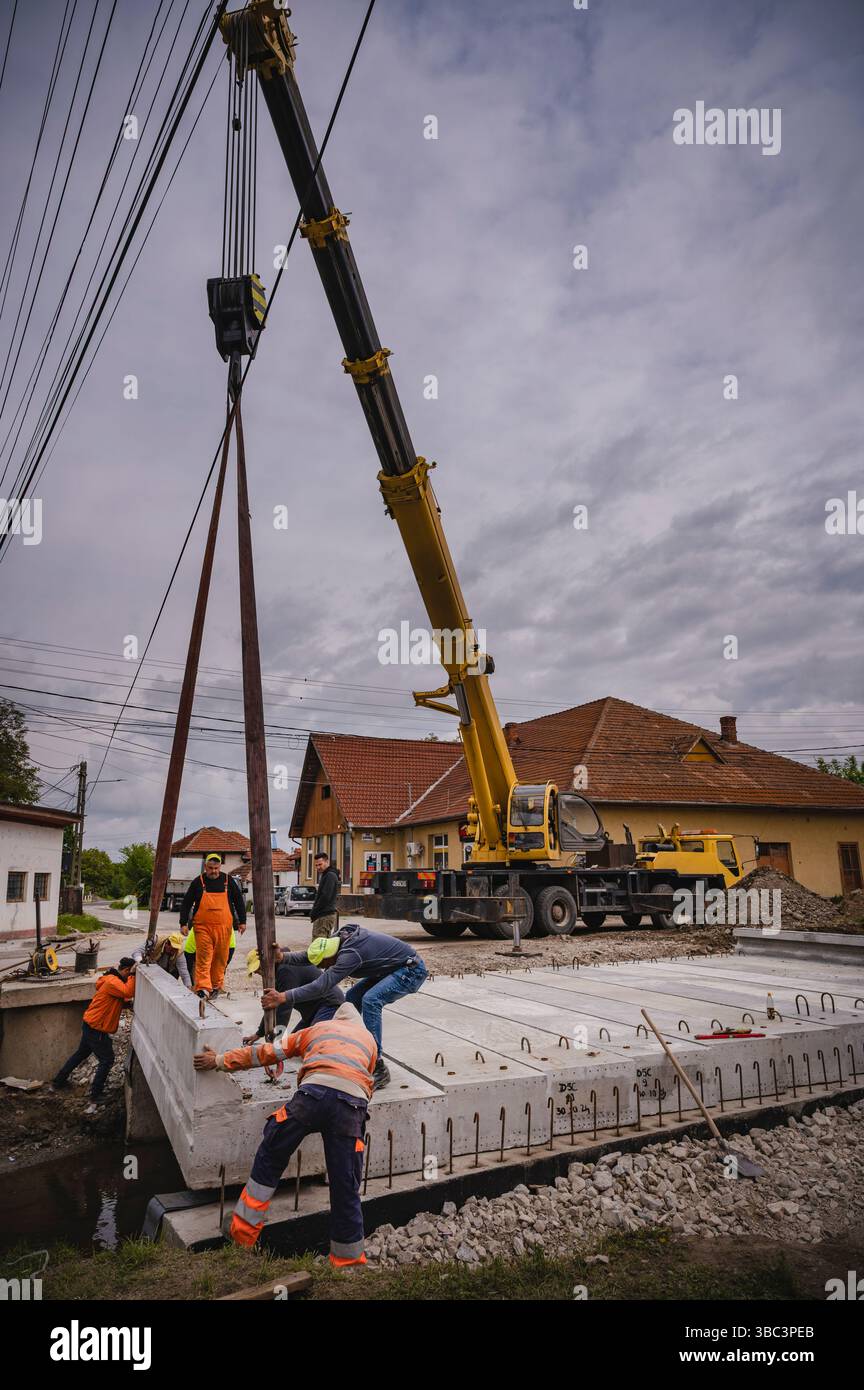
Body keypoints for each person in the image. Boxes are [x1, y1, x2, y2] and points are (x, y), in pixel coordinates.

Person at [193, 1001, 375, 1266]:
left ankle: (242, 1235)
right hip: (350, 1108)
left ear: (335, 1020)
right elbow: (363, 1081)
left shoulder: (316, 1029)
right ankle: (347, 1260)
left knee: (272, 1153)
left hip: (310, 1098)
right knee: (345, 1182)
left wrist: (219, 1060)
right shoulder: (369, 1041)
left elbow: (265, 1053)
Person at [262, 923, 427, 1091]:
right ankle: (353, 1047)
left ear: (331, 958)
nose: (323, 968)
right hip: (390, 970)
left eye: (324, 964)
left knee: (371, 1000)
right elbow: (310, 956)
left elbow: (321, 985)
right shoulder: (336, 942)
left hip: (411, 970)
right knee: (351, 1000)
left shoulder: (350, 955)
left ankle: (378, 1066)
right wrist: (283, 957)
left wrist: (283, 996)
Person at [52, 958, 136, 1109]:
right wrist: (134, 976)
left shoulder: (111, 980)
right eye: (128, 973)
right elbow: (127, 991)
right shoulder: (113, 982)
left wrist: (126, 1005)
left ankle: (58, 1081)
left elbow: (115, 1000)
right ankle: (95, 1095)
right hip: (97, 1027)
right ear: (125, 970)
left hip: (91, 1024)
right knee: (107, 1059)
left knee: (80, 1054)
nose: (128, 976)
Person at [242, 943, 344, 1043]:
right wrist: (258, 1034)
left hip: (330, 1005)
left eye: (258, 969)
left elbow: (284, 1010)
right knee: (294, 1045)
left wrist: (277, 1042)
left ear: (267, 963)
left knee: (312, 1044)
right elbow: (272, 1004)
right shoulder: (277, 972)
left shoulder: (286, 971)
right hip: (312, 1012)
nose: (258, 973)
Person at [178, 854, 246, 999]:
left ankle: (216, 986)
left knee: (220, 958)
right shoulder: (198, 882)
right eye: (210, 868)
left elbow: (239, 901)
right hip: (202, 928)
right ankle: (203, 987)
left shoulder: (228, 881)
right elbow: (186, 903)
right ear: (205, 867)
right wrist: (183, 923)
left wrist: (242, 922)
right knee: (204, 957)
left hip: (224, 927)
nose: (213, 871)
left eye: (216, 868)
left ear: (220, 866)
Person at [178, 922, 237, 989]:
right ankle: (206, 988)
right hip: (195, 948)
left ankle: (214, 987)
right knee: (204, 969)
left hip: (226, 944)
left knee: (216, 968)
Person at [309, 851, 340, 938]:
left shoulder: (330, 875)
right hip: (324, 915)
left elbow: (325, 897)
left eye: (320, 864)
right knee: (322, 944)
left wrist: (314, 911)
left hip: (324, 915)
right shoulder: (326, 875)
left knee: (318, 944)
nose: (318, 867)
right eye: (316, 865)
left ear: (327, 862)